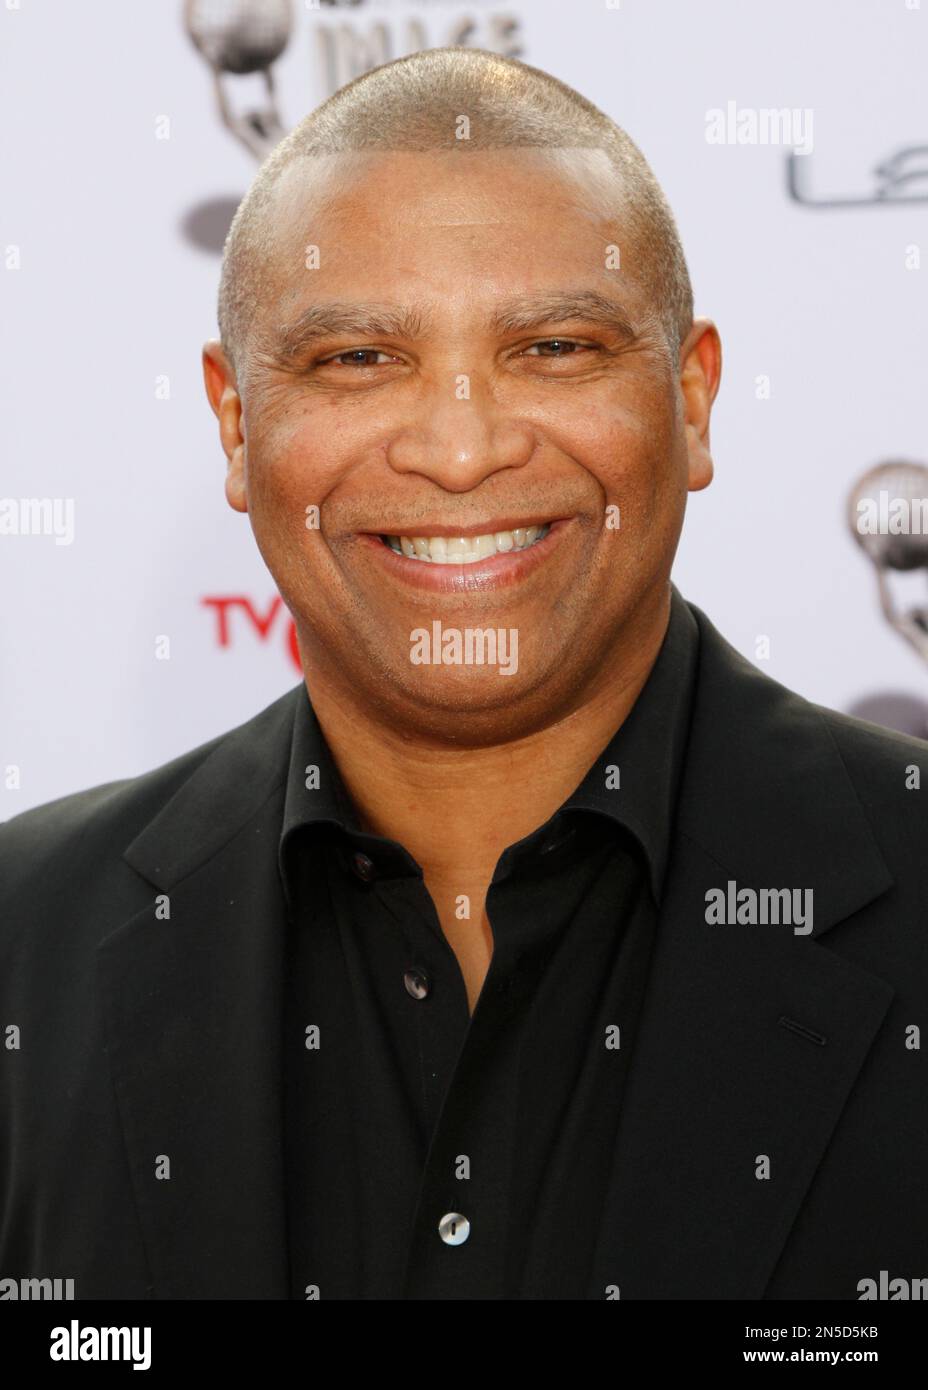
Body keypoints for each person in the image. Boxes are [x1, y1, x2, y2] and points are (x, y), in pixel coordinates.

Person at [1, 47, 926, 1302]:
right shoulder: (26, 941)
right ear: (234, 421)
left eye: (553, 346)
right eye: (356, 360)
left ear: (692, 400)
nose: (458, 447)